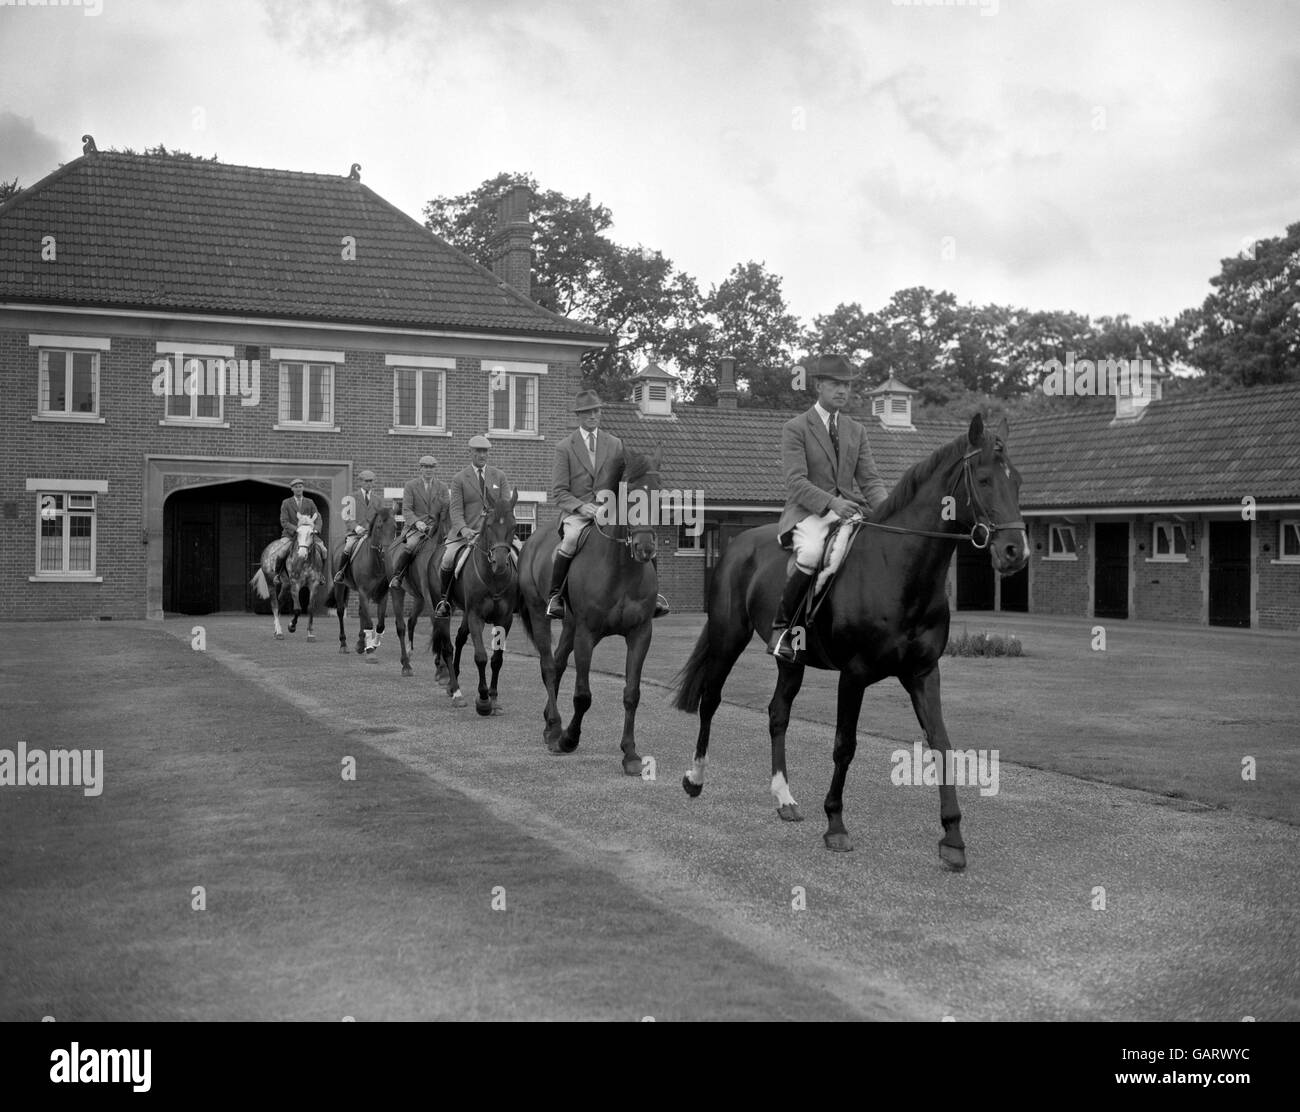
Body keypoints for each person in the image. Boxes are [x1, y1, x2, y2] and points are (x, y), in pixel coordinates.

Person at [768, 355, 889, 662]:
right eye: (836, 384)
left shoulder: (856, 430)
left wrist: (889, 512)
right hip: (808, 513)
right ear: (819, 386)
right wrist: (831, 502)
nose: (842, 391)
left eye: (847, 385)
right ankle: (782, 629)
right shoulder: (795, 428)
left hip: (848, 512)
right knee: (809, 553)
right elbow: (795, 482)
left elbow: (870, 480)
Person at [547, 390, 669, 620]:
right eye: (587, 412)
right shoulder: (564, 447)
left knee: (645, 536)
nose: (593, 416)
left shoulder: (614, 444)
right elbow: (559, 491)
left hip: (610, 509)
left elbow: (621, 481)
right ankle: (556, 596)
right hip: (579, 512)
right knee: (571, 539)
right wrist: (582, 507)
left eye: (596, 411)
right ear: (579, 416)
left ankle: (654, 596)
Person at [434, 435, 512, 618]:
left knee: (521, 552)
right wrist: (464, 529)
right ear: (470, 452)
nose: (482, 455)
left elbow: (506, 506)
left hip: (495, 533)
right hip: (466, 533)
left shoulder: (499, 476)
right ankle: (444, 602)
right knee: (447, 558)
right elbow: (455, 510)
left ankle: (522, 597)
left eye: (485, 451)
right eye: (478, 451)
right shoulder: (459, 478)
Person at [389, 455, 449, 590]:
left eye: (431, 467)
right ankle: (398, 576)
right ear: (420, 468)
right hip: (416, 528)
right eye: (426, 467)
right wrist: (417, 522)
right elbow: (406, 509)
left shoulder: (443, 487)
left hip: (436, 527)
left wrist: (443, 524)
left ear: (435, 469)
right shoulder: (411, 486)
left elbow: (446, 509)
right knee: (410, 545)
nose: (429, 470)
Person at [332, 469, 382, 585]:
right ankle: (341, 572)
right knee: (347, 548)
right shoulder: (351, 497)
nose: (369, 484)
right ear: (361, 482)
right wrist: (356, 527)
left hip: (371, 535)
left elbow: (379, 518)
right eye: (366, 481)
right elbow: (346, 516)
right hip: (355, 534)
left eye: (371, 481)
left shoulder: (378, 499)